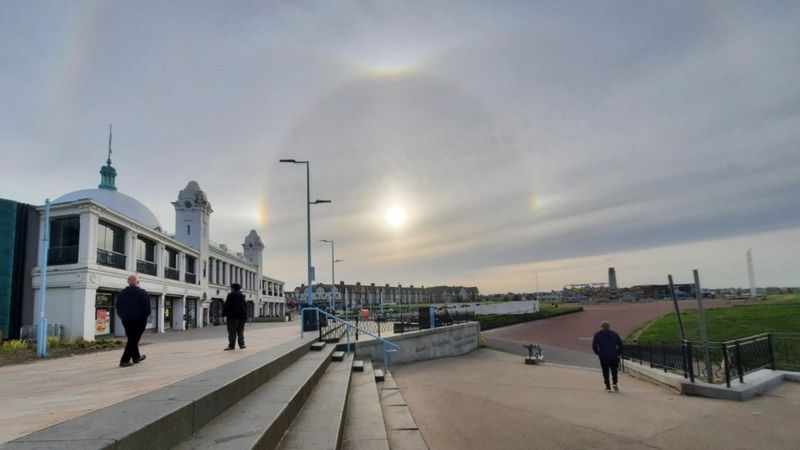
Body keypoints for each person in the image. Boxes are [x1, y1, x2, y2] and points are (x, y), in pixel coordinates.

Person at [117, 273, 151, 367]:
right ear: (138, 282)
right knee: (133, 340)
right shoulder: (142, 292)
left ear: (128, 282)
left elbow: (118, 307)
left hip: (126, 320)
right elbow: (147, 308)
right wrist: (144, 317)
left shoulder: (121, 293)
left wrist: (122, 316)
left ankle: (136, 357)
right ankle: (124, 360)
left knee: (132, 338)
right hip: (139, 320)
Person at [592, 320, 624, 392]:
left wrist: (598, 353)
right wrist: (618, 353)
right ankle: (614, 382)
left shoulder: (598, 334)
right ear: (609, 326)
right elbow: (620, 345)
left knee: (605, 371)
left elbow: (594, 345)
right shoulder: (614, 334)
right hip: (613, 355)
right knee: (614, 370)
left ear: (602, 327)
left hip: (603, 356)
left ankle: (608, 386)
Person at [222, 283, 247, 350]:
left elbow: (227, 305)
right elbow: (245, 306)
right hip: (242, 317)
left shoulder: (230, 295)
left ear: (232, 288)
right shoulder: (242, 296)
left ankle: (231, 346)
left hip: (232, 317)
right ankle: (242, 344)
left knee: (232, 332)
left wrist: (223, 314)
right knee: (240, 331)